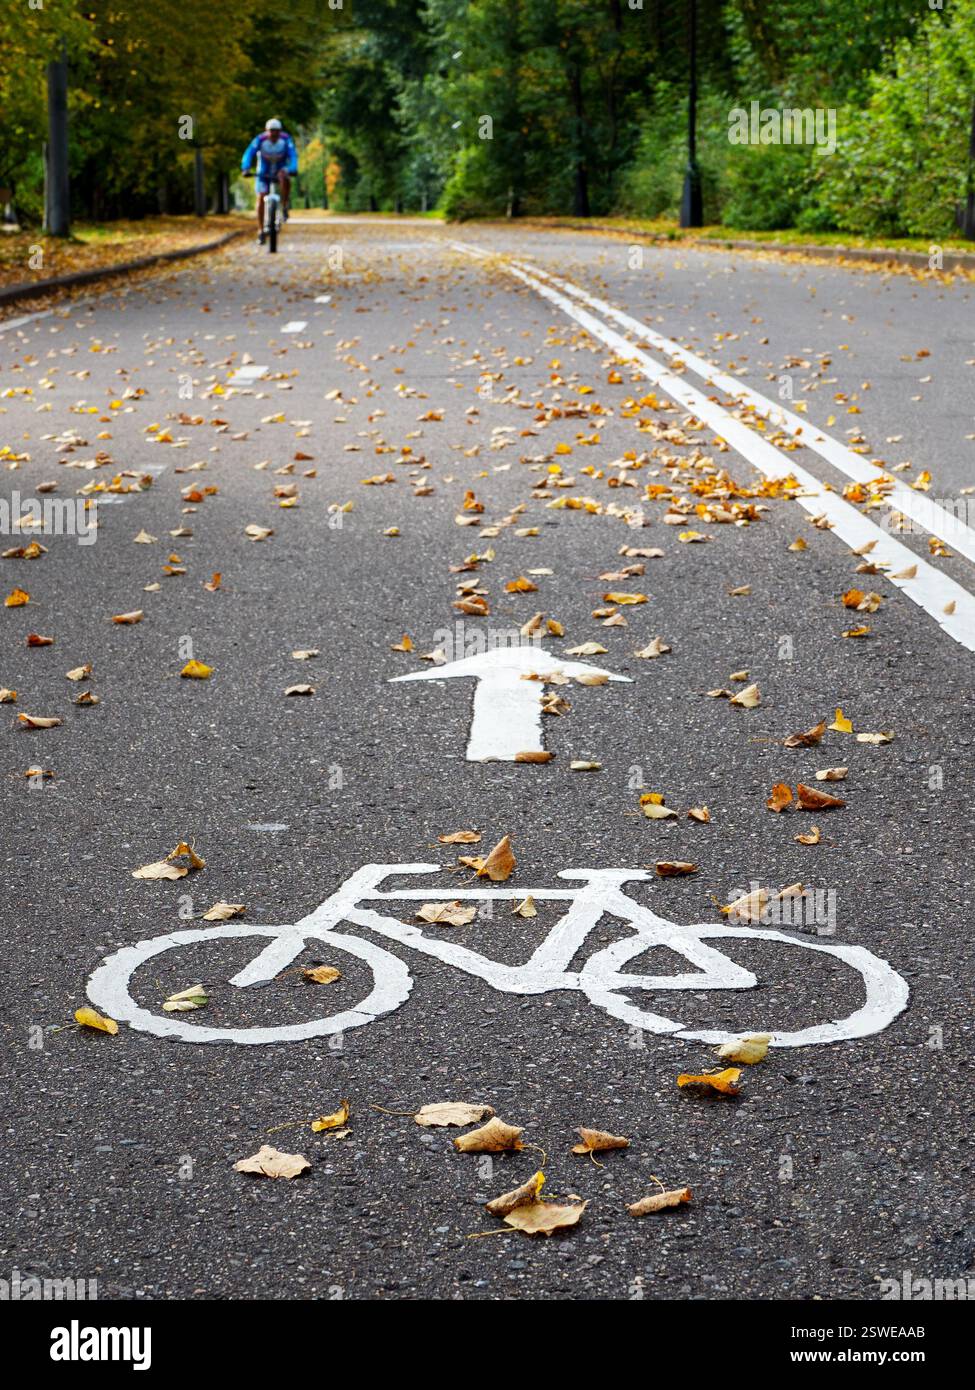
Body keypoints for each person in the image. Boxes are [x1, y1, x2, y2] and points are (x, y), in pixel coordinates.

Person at [240, 118, 298, 243]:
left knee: (285, 178)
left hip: (280, 169)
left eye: (276, 131)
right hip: (264, 171)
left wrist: (292, 168)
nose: (274, 134)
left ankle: (284, 205)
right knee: (261, 197)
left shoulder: (286, 140)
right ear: (267, 131)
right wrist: (246, 168)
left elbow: (293, 156)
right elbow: (249, 153)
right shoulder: (260, 140)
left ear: (280, 131)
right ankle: (260, 230)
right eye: (271, 131)